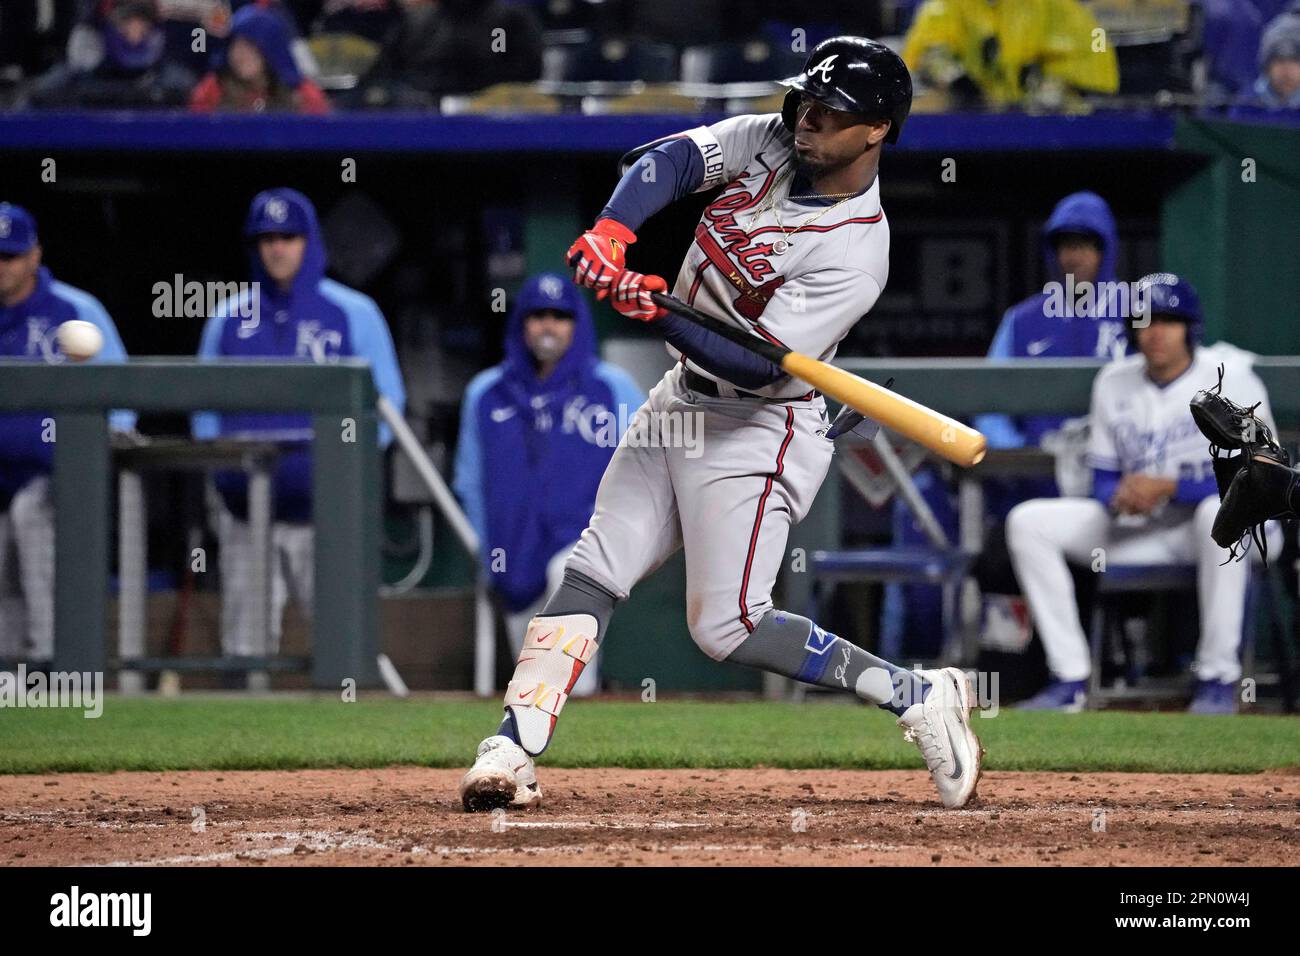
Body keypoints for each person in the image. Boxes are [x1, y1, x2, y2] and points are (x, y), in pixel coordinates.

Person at [459, 37, 984, 814]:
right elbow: (663, 162)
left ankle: (914, 693)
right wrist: (613, 233)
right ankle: (512, 745)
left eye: (829, 113)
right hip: (680, 397)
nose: (806, 121)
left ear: (876, 131)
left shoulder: (858, 251)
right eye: (805, 102)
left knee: (727, 627)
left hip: (759, 428)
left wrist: (654, 308)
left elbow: (761, 366)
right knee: (596, 564)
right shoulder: (769, 141)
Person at [1006, 274, 1275, 715]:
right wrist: (1122, 493)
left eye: (1169, 320)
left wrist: (1171, 486)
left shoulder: (1233, 380)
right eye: (1145, 320)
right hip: (1143, 529)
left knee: (1216, 511)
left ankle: (1217, 677)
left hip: (1225, 532)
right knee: (1029, 522)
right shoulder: (1114, 381)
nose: (1155, 331)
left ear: (1190, 327)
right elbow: (1101, 482)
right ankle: (1070, 678)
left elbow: (1262, 478)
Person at [193, 188, 404, 666]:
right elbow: (203, 410)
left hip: (326, 514)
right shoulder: (228, 317)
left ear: (309, 241)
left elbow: (387, 410)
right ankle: (243, 735)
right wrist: (221, 479)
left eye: (288, 235)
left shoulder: (355, 313)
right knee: (246, 650)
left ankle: (348, 739)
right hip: (246, 512)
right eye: (266, 237)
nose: (277, 247)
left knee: (343, 646)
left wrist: (346, 481)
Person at [453, 273, 645, 696]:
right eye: (537, 315)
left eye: (560, 316)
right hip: (512, 544)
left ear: (576, 325)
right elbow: (469, 480)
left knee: (563, 652)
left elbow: (646, 466)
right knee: (531, 677)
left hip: (584, 540)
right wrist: (487, 548)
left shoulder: (612, 386)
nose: (548, 326)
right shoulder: (487, 392)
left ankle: (580, 717)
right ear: (522, 324)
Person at [0, 203, 133, 665]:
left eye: (11, 256)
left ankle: (53, 662)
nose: (3, 266)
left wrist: (92, 464)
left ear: (34, 256)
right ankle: (10, 669)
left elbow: (122, 403)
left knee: (28, 514)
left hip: (54, 477)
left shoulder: (74, 310)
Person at [902, 0, 1118, 110]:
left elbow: (1087, 79)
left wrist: (1036, 94)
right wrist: (964, 86)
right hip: (970, 124)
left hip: (1045, 131)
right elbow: (930, 56)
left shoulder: (1056, 8)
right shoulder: (948, 6)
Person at [352, 0, 541, 108]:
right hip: (420, 116)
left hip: (492, 115)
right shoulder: (417, 21)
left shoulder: (510, 20)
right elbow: (381, 74)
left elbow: (527, 73)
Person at [26, 0, 195, 108]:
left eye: (143, 24)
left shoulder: (180, 85)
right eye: (124, 22)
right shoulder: (60, 85)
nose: (134, 36)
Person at [189, 3, 329, 113]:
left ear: (272, 51)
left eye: (250, 47)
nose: (239, 55)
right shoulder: (212, 89)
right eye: (235, 46)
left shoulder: (303, 94)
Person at [1231, 4, 1300, 112]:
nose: (1287, 70)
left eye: (1295, 61)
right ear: (1267, 66)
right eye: (1279, 60)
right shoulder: (1244, 105)